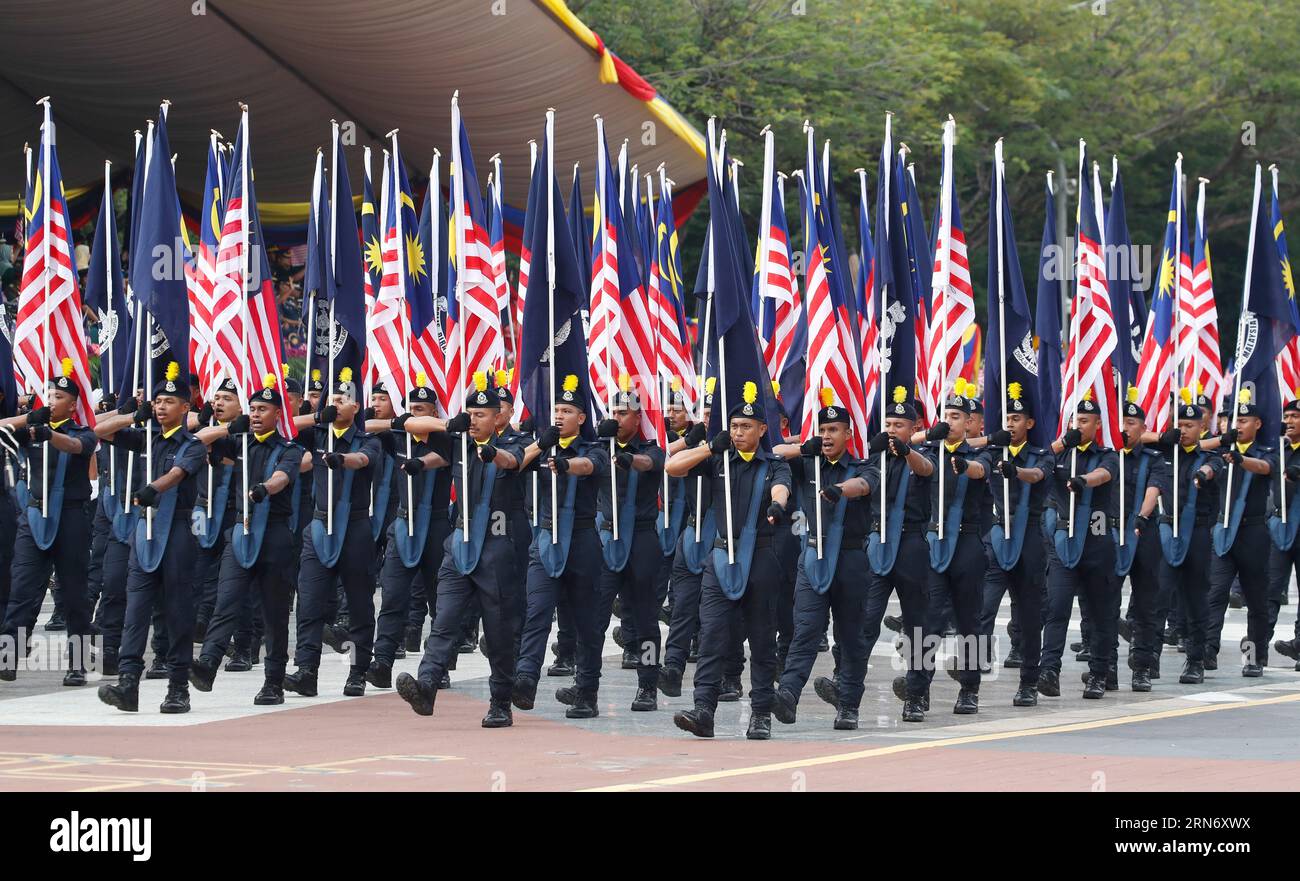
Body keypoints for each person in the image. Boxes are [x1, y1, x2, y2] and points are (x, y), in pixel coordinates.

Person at [394, 372, 525, 727]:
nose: (475, 420)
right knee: (445, 620)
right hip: (459, 544)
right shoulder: (458, 442)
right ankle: (426, 686)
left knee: (497, 632)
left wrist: (490, 450)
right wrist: (449, 423)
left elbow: (511, 462)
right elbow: (406, 421)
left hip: (496, 548)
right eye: (470, 414)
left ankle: (500, 701)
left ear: (499, 416)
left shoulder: (513, 444)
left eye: (482, 414)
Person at [667, 380, 792, 740]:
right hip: (720, 556)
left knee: (762, 638)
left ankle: (761, 713)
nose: (739, 432)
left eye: (746, 427)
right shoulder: (718, 460)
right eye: (735, 426)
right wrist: (708, 446)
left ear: (762, 429)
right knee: (711, 637)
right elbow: (672, 467)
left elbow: (781, 488)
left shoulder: (773, 464)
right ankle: (704, 710)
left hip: (762, 556)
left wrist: (777, 504)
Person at [95, 363, 209, 713]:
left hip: (175, 529)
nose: (160, 407)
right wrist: (132, 415)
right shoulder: (146, 438)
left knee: (176, 609)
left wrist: (152, 489)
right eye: (157, 401)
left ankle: (178, 687)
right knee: (136, 609)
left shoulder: (192, 444)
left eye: (168, 401)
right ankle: (128, 682)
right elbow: (99, 430)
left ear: (185, 406)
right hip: (143, 531)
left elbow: (177, 474)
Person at [187, 374, 303, 704]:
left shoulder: (289, 448)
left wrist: (265, 488)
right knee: (226, 601)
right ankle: (207, 665)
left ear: (278, 414)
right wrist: (228, 427)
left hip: (275, 535)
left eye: (262, 409)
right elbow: (196, 441)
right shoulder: (238, 444)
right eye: (251, 408)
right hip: (241, 531)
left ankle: (273, 682)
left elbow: (282, 477)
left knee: (274, 613)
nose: (254, 414)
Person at [509, 373, 608, 717]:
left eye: (567, 410)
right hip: (545, 536)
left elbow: (589, 466)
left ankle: (586, 691)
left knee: (586, 622)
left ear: (581, 418)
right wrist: (541, 443)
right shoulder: (540, 444)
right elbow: (514, 466)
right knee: (536, 613)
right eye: (556, 410)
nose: (559, 416)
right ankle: (524, 680)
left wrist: (565, 464)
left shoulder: (593, 448)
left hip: (581, 540)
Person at [772, 389, 871, 730]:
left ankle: (848, 705)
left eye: (834, 430)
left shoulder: (861, 464)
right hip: (813, 555)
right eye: (823, 430)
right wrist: (803, 447)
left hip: (851, 559)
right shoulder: (808, 461)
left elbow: (864, 484)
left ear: (848, 434)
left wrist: (840, 489)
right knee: (806, 631)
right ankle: (787, 695)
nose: (827, 436)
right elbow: (772, 453)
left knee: (850, 636)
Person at [284, 367, 382, 698]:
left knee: (357, 605)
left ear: (357, 407)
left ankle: (356, 670)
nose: (337, 404)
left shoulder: (369, 440)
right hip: (318, 525)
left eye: (343, 400)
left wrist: (339, 458)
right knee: (309, 603)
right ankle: (306, 670)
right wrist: (315, 418)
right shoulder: (317, 433)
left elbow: (362, 460)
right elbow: (284, 427)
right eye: (333, 399)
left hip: (354, 527)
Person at [0, 359, 97, 683]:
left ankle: (79, 663)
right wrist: (30, 419)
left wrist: (48, 434)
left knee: (74, 593)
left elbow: (74, 446)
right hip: (34, 515)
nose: (52, 400)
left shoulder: (82, 432)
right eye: (50, 395)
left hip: (71, 515)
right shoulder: (29, 430)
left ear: (72, 405)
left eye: (59, 397)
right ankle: (8, 657)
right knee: (23, 589)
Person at [363, 373, 450, 690]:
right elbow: (364, 426)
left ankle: (439, 666)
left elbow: (440, 457)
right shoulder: (397, 437)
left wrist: (422, 459)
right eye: (412, 407)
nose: (417, 413)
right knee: (392, 596)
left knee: (438, 600)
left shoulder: (445, 438)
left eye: (424, 408)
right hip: (403, 523)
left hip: (436, 526)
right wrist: (397, 423)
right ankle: (382, 660)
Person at [586, 376, 666, 712]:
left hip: (642, 539)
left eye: (624, 412)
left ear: (638, 417)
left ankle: (648, 685)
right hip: (605, 539)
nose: (618, 418)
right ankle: (586, 686)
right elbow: (585, 464)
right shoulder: (600, 449)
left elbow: (650, 464)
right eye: (614, 412)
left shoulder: (650, 449)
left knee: (646, 618)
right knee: (594, 617)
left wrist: (627, 460)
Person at [1039, 391, 1120, 699]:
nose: (1079, 424)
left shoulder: (1106, 454)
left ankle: (1099, 673)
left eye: (1085, 421)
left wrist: (1084, 480)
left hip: (1096, 543)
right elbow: (1040, 461)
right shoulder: (1060, 453)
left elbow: (1105, 474)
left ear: (1097, 424)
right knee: (1057, 609)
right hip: (1063, 545)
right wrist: (1063, 442)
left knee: (1101, 613)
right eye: (1075, 419)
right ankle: (1049, 671)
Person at [917, 387, 992, 715]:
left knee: (968, 621)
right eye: (946, 416)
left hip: (967, 544)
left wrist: (961, 463)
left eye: (956, 417)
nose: (949, 422)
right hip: (934, 543)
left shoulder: (979, 455)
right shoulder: (929, 454)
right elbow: (904, 454)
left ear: (969, 423)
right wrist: (925, 438)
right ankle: (918, 690)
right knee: (928, 620)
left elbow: (980, 471)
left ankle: (969, 688)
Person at [981, 382, 1049, 707]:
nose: (1011, 423)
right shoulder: (993, 451)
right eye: (1007, 417)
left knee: (1029, 614)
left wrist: (1016, 471)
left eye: (1017, 418)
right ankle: (971, 678)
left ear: (1030, 423)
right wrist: (991, 444)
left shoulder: (1040, 454)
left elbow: (1037, 475)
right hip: (998, 536)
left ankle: (1029, 682)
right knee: (983, 609)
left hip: (1030, 539)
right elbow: (969, 459)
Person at [1147, 392, 1219, 685]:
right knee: (1159, 597)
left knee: (1195, 598)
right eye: (1181, 424)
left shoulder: (1209, 457)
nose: (1185, 429)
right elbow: (1134, 439)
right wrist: (1165, 437)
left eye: (1191, 425)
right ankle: (1149, 659)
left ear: (1202, 428)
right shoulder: (1165, 453)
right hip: (1166, 529)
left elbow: (1211, 469)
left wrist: (1201, 475)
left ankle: (1195, 659)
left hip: (1198, 533)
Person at [1203, 388, 1276, 675]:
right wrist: (1223, 441)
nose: (1238, 425)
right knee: (1215, 594)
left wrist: (1239, 459)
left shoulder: (1267, 451)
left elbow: (1265, 468)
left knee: (1256, 598)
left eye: (1244, 421)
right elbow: (1196, 447)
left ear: (1257, 423)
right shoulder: (1220, 450)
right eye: (1234, 421)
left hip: (1253, 531)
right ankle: (1207, 651)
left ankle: (1253, 656)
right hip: (1223, 529)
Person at [1270, 393, 1300, 670]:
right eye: (1287, 416)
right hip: (1280, 526)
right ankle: (1258, 645)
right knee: (1270, 588)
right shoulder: (1279, 448)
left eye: (1295, 417)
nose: (1289, 421)